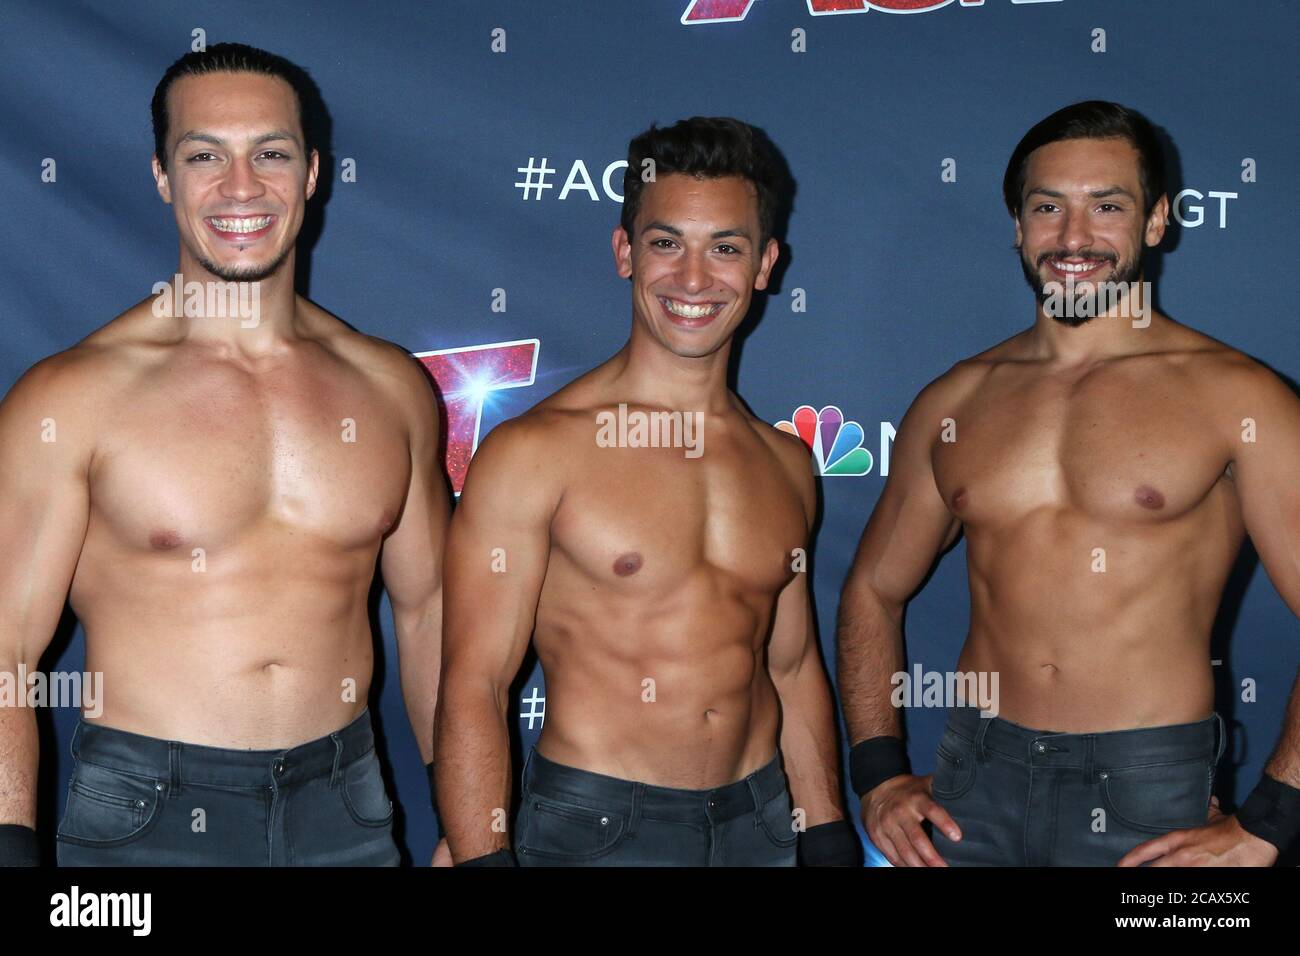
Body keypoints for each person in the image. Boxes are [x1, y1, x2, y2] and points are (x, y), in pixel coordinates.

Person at [0, 43, 450, 866]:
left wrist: (466, 822)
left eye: (270, 154)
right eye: (205, 155)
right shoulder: (72, 398)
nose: (241, 188)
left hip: (346, 810)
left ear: (312, 173)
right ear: (163, 176)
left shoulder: (391, 390)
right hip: (144, 819)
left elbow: (428, 616)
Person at [837, 101, 1300, 867]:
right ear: (1018, 226)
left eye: (1106, 206)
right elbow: (872, 592)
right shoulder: (956, 400)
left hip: (1150, 794)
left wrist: (1270, 821)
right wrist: (878, 775)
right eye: (1047, 206)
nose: (1074, 237)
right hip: (971, 783)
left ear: (1156, 221)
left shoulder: (1238, 398)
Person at [435, 117, 858, 866]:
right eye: (667, 243)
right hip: (595, 830)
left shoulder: (785, 463)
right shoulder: (537, 452)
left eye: (725, 248)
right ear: (625, 251)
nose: (694, 280)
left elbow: (790, 667)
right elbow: (475, 683)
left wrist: (826, 831)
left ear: (765, 264)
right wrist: (482, 856)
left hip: (760, 822)